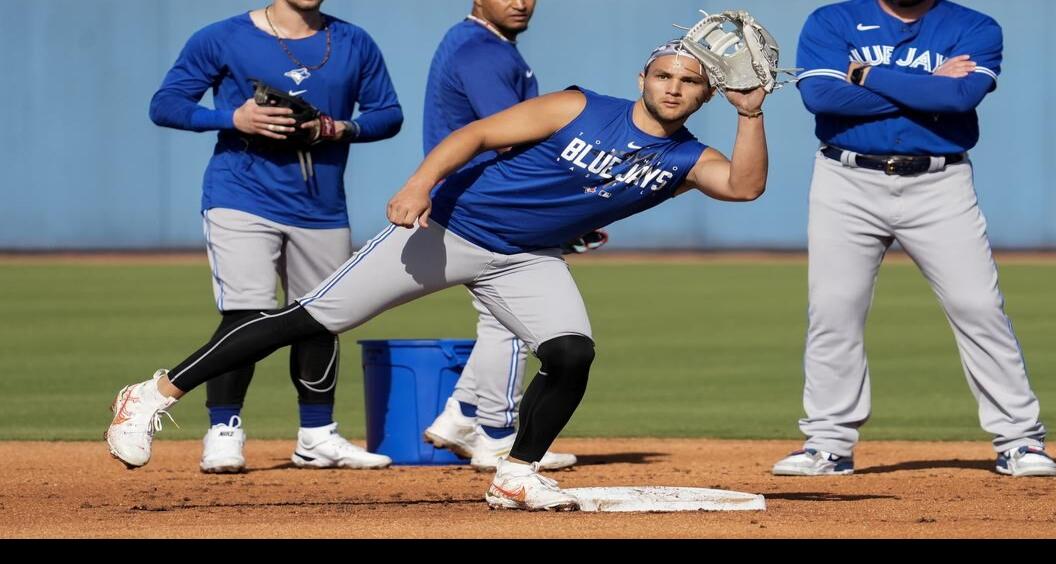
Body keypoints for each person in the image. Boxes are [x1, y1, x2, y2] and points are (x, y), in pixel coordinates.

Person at [104, 40, 768, 510]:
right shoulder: (578, 106)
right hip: (447, 230)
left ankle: (516, 473)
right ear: (643, 76)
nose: (673, 87)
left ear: (706, 91)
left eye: (689, 81)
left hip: (526, 259)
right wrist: (419, 183)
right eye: (663, 76)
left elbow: (742, 188)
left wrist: (751, 113)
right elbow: (476, 135)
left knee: (571, 355)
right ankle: (154, 392)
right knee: (308, 318)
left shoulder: (687, 156)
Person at [771, 0, 1056, 477]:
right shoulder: (832, 20)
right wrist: (928, 86)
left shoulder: (974, 26)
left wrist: (865, 75)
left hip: (940, 182)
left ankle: (1020, 440)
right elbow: (822, 97)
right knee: (834, 308)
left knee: (977, 306)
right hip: (846, 178)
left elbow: (958, 100)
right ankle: (828, 443)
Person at [146, 0, 403, 472]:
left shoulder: (352, 40)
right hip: (241, 194)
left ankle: (317, 434)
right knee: (248, 309)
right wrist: (232, 119)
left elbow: (388, 114)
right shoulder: (222, 36)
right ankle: (223, 429)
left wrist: (340, 126)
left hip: (321, 204)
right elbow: (165, 104)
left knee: (322, 315)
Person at [419, 0, 578, 472]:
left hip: (480, 197)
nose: (520, 1)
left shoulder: (480, 43)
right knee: (512, 318)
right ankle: (496, 433)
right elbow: (512, 136)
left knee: (497, 314)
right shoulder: (483, 52)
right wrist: (562, 199)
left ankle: (462, 415)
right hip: (491, 204)